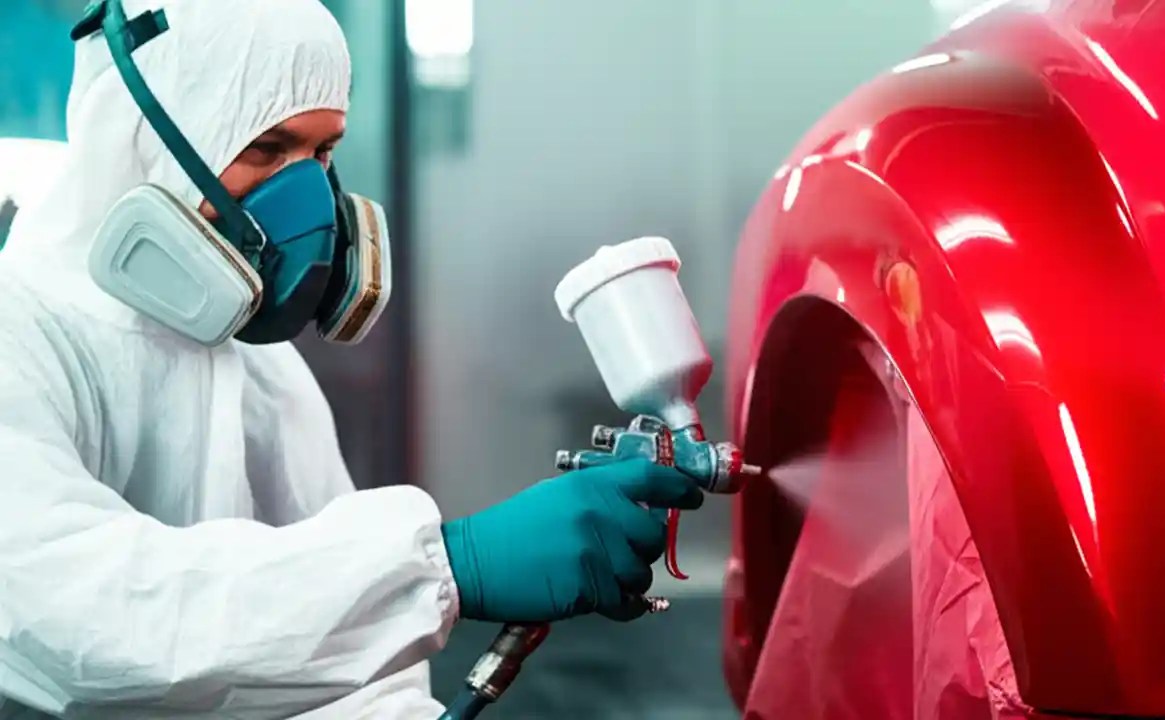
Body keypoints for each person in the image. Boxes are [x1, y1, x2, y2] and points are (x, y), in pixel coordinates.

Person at [0, 1, 703, 718]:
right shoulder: (19, 331)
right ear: (144, 144)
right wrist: (449, 565)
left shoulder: (254, 366)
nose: (309, 200)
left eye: (322, 153)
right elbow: (67, 613)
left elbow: (339, 668)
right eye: (268, 149)